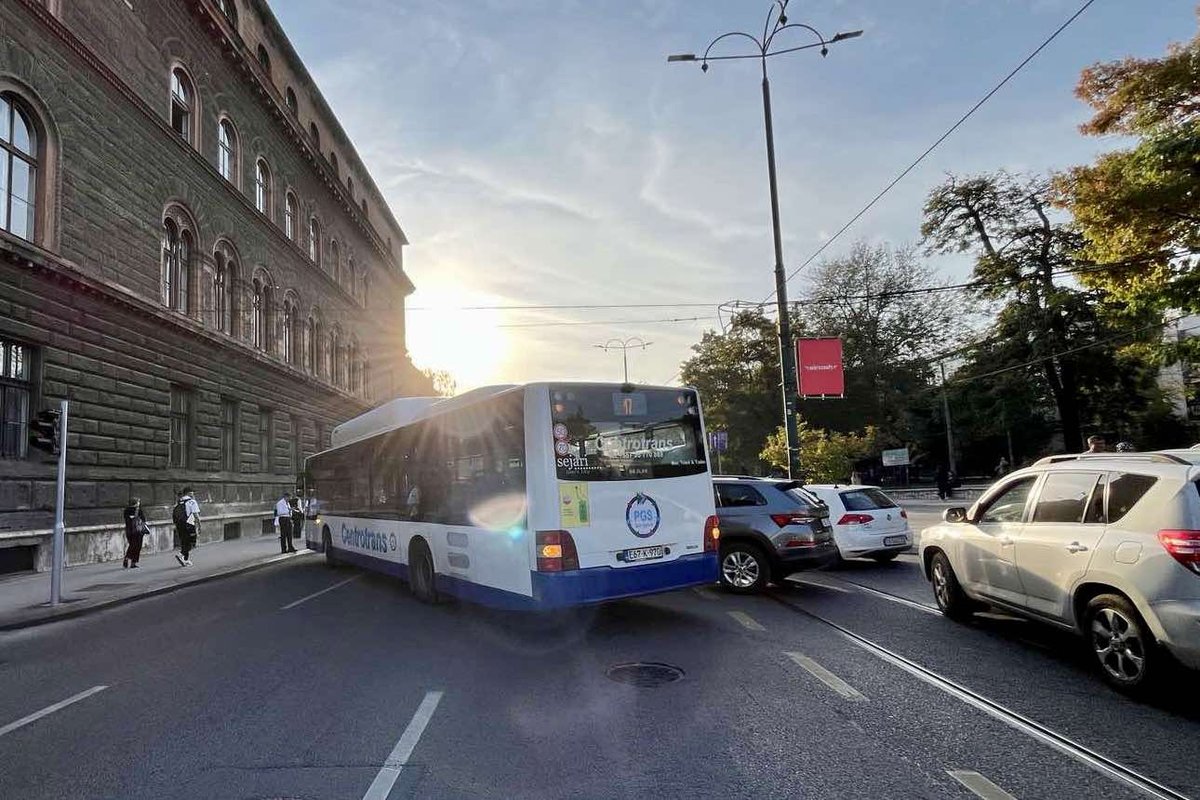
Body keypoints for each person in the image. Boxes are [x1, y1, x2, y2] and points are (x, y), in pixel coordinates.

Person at [172, 487, 200, 567]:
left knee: (184, 541)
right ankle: (181, 554)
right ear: (189, 493)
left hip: (179, 524)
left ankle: (185, 560)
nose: (193, 494)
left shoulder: (179, 501)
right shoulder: (192, 502)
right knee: (191, 542)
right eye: (192, 492)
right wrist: (199, 525)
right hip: (189, 524)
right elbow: (196, 515)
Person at [122, 497, 147, 568]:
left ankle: (127, 557)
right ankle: (133, 562)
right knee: (137, 546)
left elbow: (126, 520)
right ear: (136, 503)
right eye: (138, 502)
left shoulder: (126, 510)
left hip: (129, 531)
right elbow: (143, 520)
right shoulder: (139, 510)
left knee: (132, 545)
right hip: (137, 531)